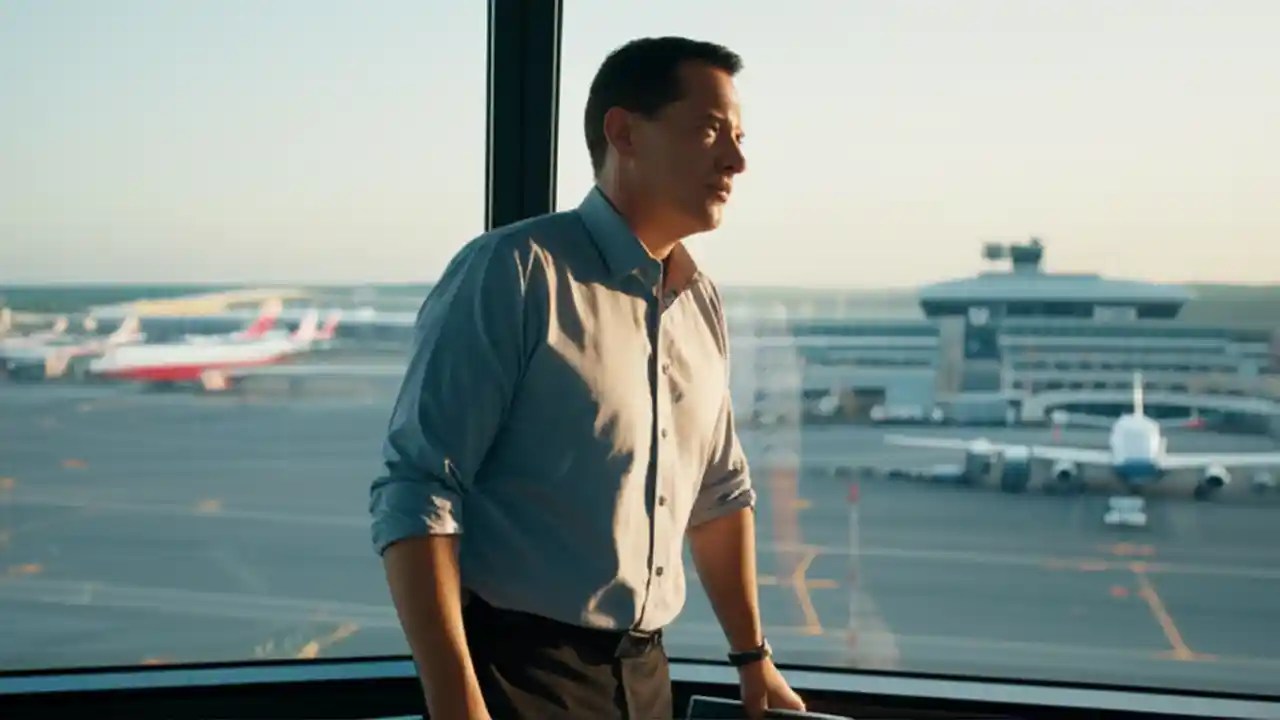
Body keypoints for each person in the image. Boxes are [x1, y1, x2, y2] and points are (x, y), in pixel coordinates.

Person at [370, 36, 806, 720]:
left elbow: (720, 496)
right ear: (624, 133)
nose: (737, 159)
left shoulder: (700, 301)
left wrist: (754, 660)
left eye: (740, 137)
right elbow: (416, 491)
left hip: (646, 675)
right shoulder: (514, 272)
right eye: (710, 131)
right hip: (516, 677)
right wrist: (458, 703)